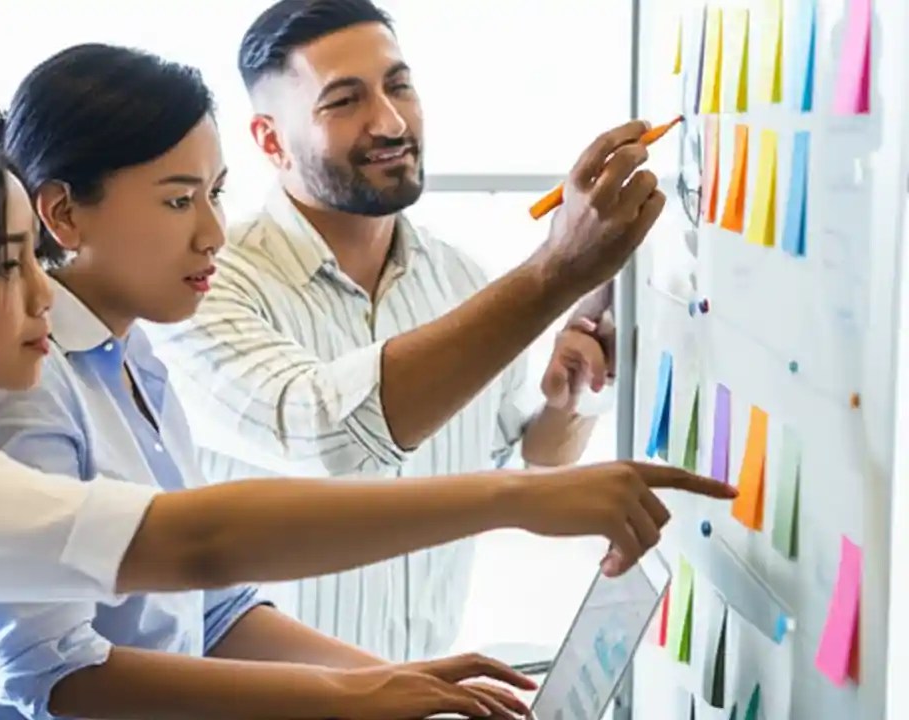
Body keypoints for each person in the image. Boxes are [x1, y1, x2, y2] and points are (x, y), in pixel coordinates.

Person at [0, 116, 733, 720]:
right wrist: (516, 500)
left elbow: (204, 590)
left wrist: (378, 685)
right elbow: (186, 547)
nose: (41, 293)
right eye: (13, 263)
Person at [147, 0, 666, 662]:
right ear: (272, 141)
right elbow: (329, 433)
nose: (390, 122)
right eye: (344, 101)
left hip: (411, 693)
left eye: (399, 85)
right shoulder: (204, 284)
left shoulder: (463, 281)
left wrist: (574, 396)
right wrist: (554, 273)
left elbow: (528, 457)